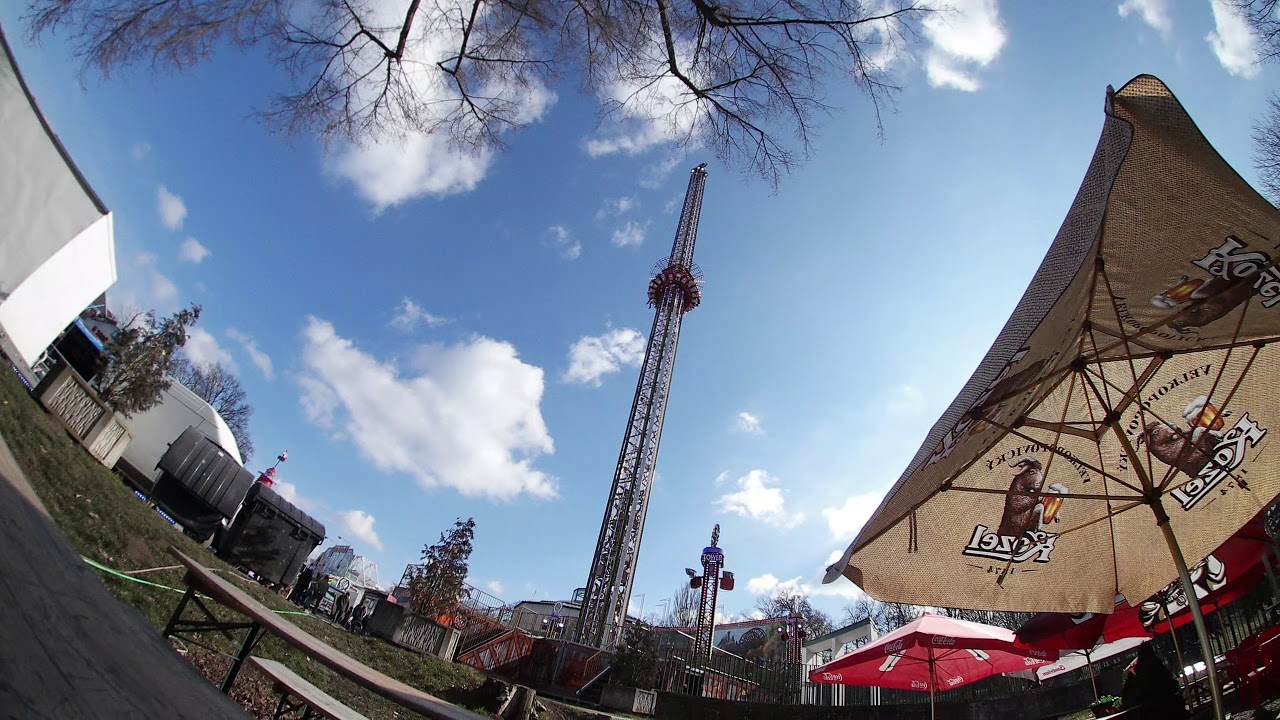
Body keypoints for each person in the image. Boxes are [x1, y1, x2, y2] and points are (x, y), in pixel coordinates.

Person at [1120, 643, 1189, 719]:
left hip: (1151, 711)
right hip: (1170, 708)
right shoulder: (1158, 667)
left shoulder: (1140, 674)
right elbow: (1172, 684)